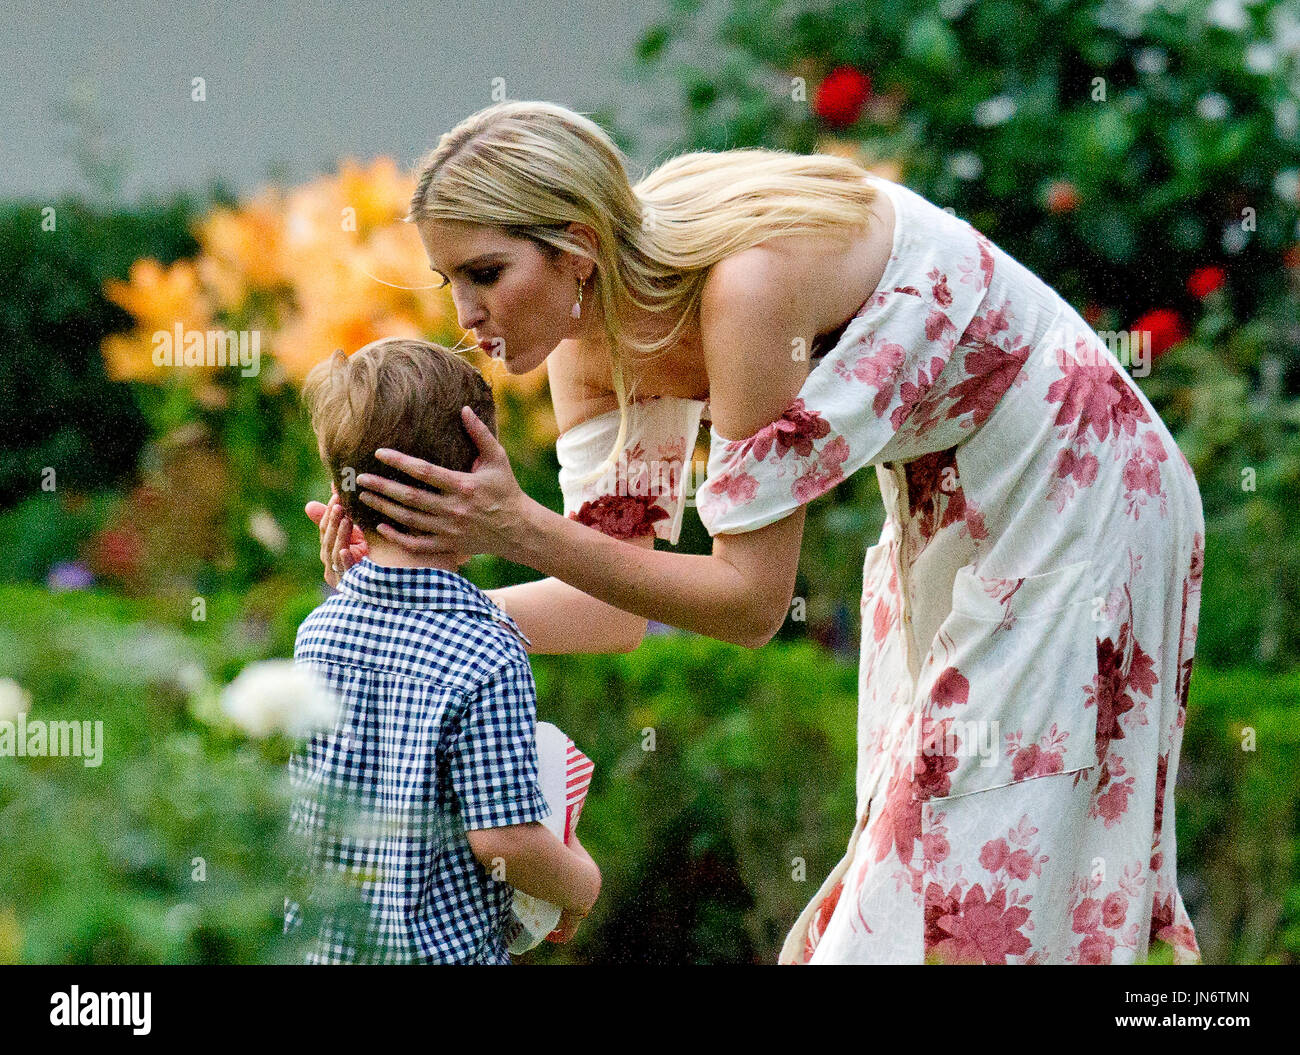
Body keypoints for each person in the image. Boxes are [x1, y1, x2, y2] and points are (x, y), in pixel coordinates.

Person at [308, 101, 1204, 964]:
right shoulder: (589, 341)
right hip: (945, 499)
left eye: (486, 274)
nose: (466, 315)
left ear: (577, 248)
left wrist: (523, 529)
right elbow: (612, 605)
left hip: (1078, 486)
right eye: (449, 280)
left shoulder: (746, 291)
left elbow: (750, 603)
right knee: (924, 863)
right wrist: (403, 604)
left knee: (970, 859)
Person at [289, 336, 600, 963]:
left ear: (341, 492)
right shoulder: (486, 652)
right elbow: (504, 842)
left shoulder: (318, 632)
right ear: (474, 480)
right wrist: (579, 884)